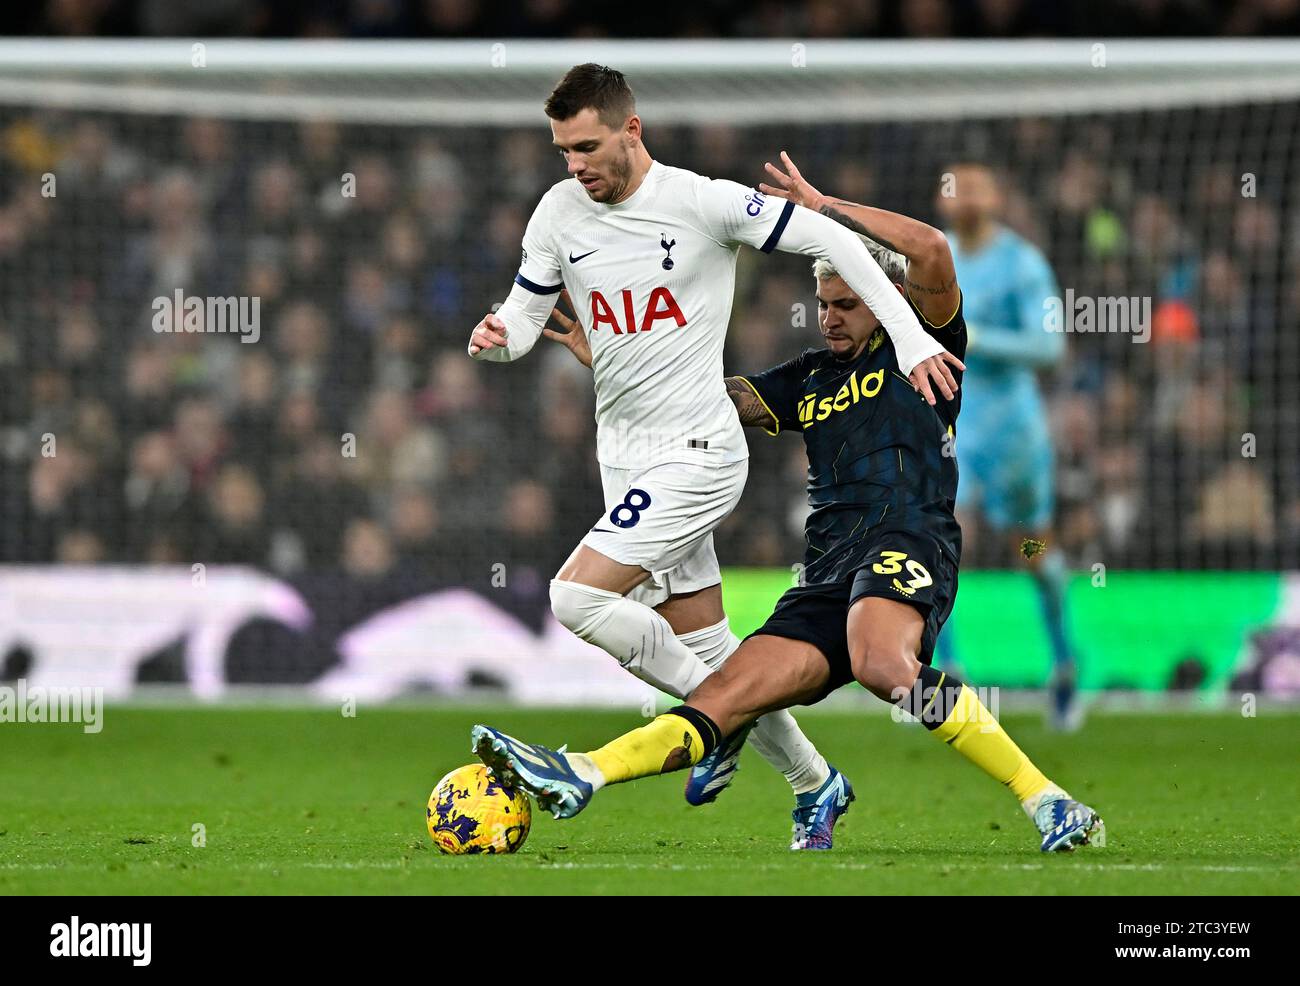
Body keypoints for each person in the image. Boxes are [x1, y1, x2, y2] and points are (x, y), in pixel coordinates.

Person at [471, 154, 1104, 853]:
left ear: (881, 298)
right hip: (826, 573)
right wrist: (618, 360)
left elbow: (929, 248)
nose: (830, 319)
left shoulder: (924, 346)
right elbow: (710, 402)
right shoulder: (805, 379)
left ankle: (1047, 800)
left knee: (883, 665)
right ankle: (584, 772)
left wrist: (825, 207)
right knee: (725, 695)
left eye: (846, 304)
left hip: (909, 540)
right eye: (825, 305)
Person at [933, 162, 1081, 730]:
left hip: (1014, 431)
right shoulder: (931, 256)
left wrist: (972, 335)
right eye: (952, 186)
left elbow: (1050, 348)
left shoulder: (1023, 264)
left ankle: (1064, 664)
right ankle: (947, 673)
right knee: (944, 534)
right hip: (953, 423)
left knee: (1030, 552)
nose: (962, 196)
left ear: (995, 196)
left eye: (975, 185)